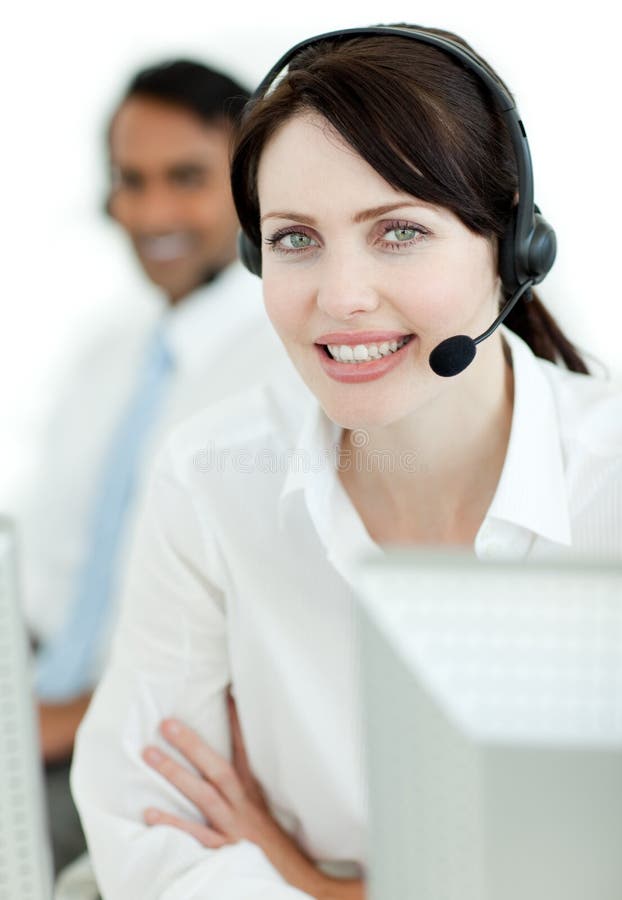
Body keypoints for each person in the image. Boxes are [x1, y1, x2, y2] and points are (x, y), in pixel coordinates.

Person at [71, 24, 622, 900]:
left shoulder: (608, 484)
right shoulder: (213, 477)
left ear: (512, 246)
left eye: (398, 231)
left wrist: (324, 889)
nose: (341, 297)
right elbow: (151, 827)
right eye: (295, 239)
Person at [22, 58, 296, 874]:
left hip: (142, 751)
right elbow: (47, 573)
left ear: (252, 191)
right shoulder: (107, 357)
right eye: (130, 182)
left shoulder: (287, 372)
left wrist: (54, 723)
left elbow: (240, 642)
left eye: (186, 178)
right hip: (37, 709)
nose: (152, 212)